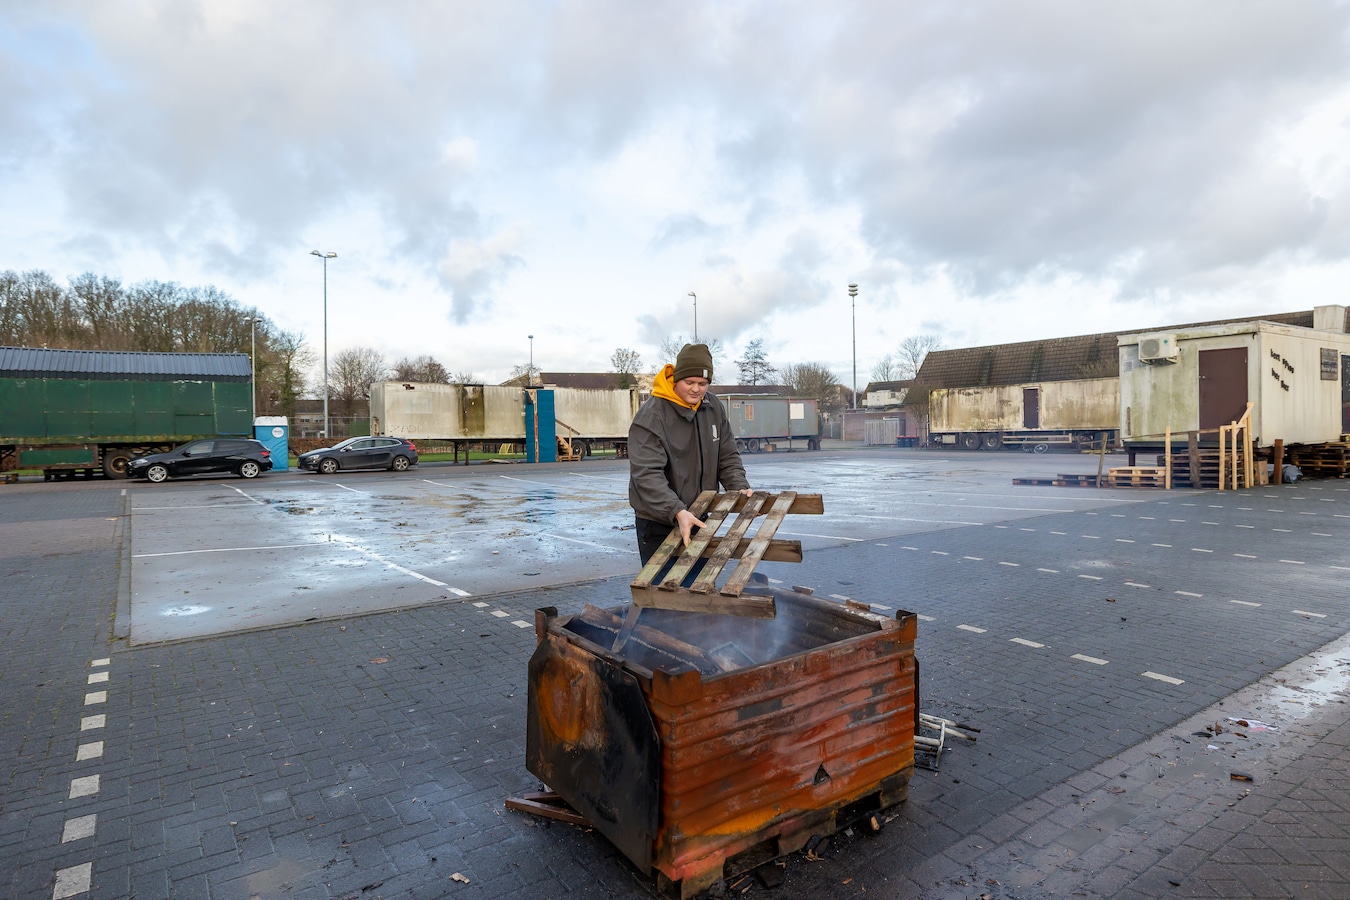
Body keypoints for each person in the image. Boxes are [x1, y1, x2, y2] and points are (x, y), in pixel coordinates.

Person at [628, 342, 753, 564]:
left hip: (701, 516)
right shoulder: (652, 416)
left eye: (703, 383)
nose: (696, 389)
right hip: (660, 521)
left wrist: (739, 487)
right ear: (677, 379)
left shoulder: (713, 407)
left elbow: (727, 455)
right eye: (690, 382)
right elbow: (646, 474)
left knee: (701, 588)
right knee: (663, 591)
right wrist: (677, 511)